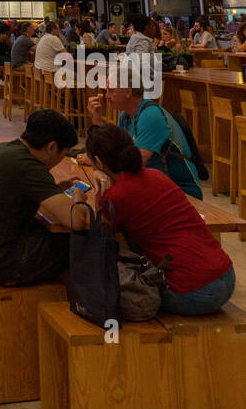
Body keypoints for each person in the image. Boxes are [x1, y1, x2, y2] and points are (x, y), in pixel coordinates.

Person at [84, 123, 234, 315]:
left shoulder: (114, 197)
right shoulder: (155, 175)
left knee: (120, 294)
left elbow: (101, 229)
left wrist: (99, 186)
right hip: (226, 275)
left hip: (193, 291)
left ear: (98, 161)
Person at [0, 109, 78, 285]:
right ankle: (75, 304)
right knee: (80, 241)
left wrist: (52, 190)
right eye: (62, 155)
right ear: (51, 147)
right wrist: (78, 197)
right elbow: (75, 219)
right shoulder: (29, 166)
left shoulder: (5, 149)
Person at [86, 82, 201, 199]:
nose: (106, 96)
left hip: (181, 191)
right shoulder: (125, 115)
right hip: (154, 186)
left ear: (128, 92)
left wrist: (98, 163)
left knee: (108, 201)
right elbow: (114, 155)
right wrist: (97, 120)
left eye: (111, 91)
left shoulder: (151, 116)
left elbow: (134, 166)